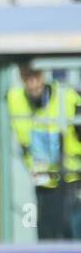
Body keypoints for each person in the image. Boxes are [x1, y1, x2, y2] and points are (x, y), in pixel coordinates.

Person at [7, 64, 81, 240]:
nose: (33, 82)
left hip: (74, 181)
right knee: (49, 240)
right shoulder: (14, 99)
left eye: (36, 75)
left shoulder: (68, 96)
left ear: (44, 73)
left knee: (74, 238)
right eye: (27, 76)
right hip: (44, 184)